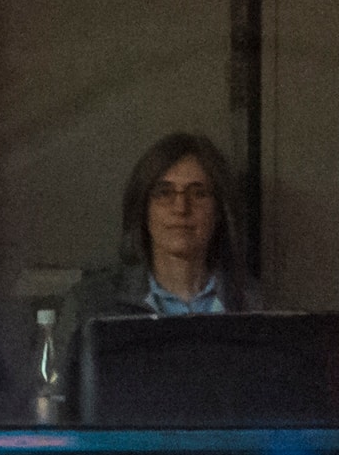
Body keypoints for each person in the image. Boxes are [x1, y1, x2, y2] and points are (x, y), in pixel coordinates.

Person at [87, 131, 259, 319]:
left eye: (198, 194)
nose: (181, 208)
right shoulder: (90, 305)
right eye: (164, 193)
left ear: (219, 210)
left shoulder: (256, 304)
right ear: (143, 208)